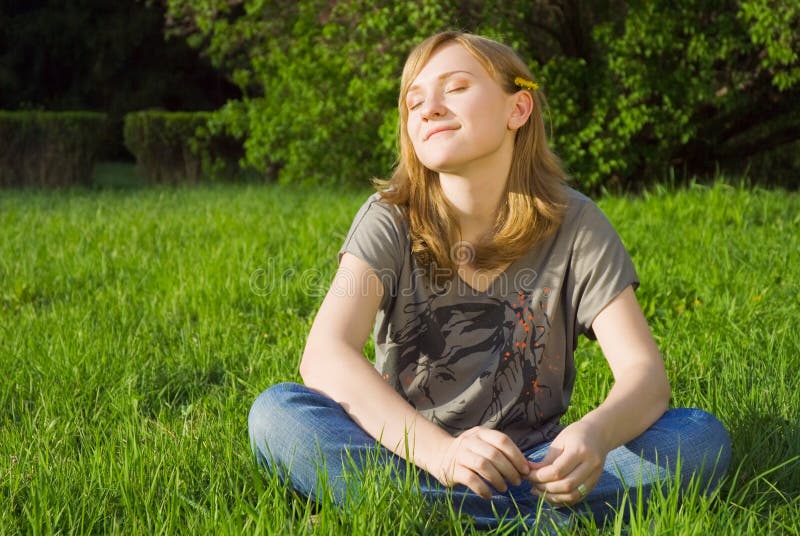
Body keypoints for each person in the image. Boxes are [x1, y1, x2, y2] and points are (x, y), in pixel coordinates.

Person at [248, 30, 731, 531]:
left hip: (534, 467)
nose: (429, 109)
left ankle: (423, 515)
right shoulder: (390, 217)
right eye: (414, 102)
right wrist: (443, 455)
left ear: (517, 109)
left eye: (455, 87)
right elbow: (325, 355)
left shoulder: (576, 224)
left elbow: (645, 376)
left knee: (699, 436)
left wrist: (594, 435)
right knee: (276, 413)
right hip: (408, 455)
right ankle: (531, 523)